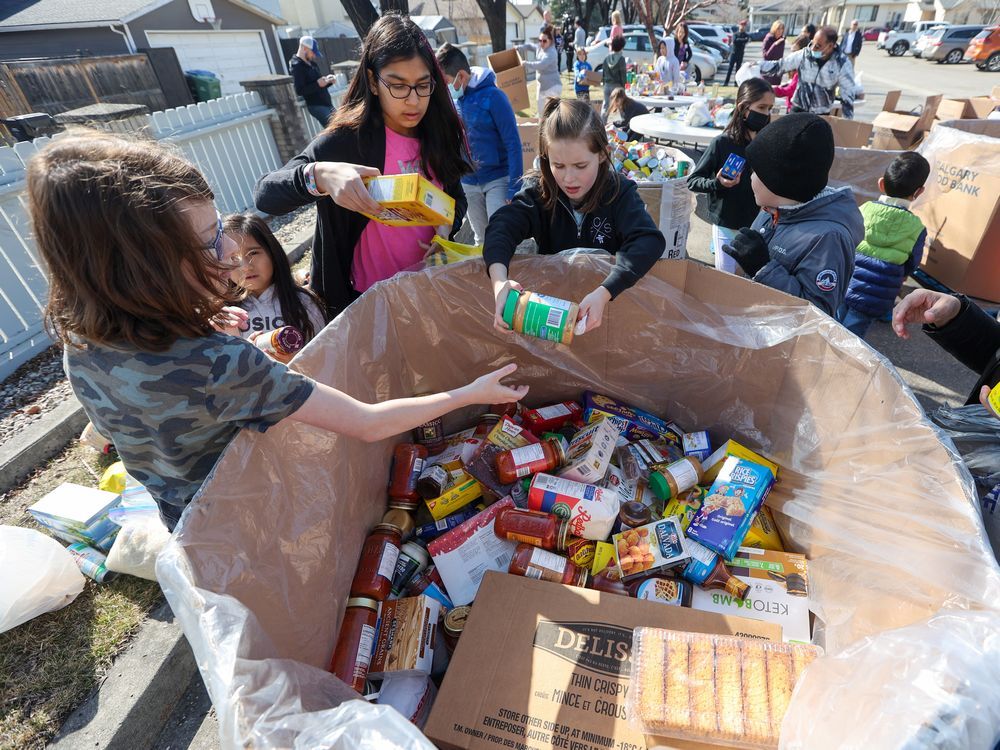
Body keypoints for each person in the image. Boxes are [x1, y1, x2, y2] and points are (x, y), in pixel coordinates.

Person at [29, 132, 527, 532]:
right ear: (143, 270)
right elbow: (370, 422)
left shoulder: (82, 342)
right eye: (208, 244)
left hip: (180, 522)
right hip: (246, 525)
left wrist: (190, 320)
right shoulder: (223, 365)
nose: (228, 253)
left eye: (218, 228)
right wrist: (471, 391)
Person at [255, 14, 471, 319]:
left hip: (424, 292)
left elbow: (456, 199)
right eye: (398, 86)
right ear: (372, 81)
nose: (413, 101)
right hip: (364, 304)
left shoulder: (436, 137)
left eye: (423, 86)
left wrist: (445, 229)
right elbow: (265, 195)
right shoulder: (347, 143)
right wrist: (320, 175)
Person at [483, 98, 665, 335]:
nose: (569, 179)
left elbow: (648, 241)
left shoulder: (619, 193)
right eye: (558, 165)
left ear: (602, 154)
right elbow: (501, 227)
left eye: (580, 166)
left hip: (610, 310)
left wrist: (605, 292)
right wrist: (499, 283)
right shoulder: (539, 192)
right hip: (552, 318)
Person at [724, 113, 864, 316]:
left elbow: (818, 314)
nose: (750, 176)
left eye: (757, 172)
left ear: (779, 183)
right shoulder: (772, 208)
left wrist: (763, 269)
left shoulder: (829, 238)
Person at [436, 43, 522, 246]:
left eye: (446, 82)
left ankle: (506, 276)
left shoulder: (494, 97)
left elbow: (513, 143)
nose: (444, 88)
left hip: (497, 179)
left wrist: (514, 187)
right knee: (481, 239)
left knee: (499, 235)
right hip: (468, 183)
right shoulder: (454, 101)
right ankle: (486, 277)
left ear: (462, 77)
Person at [837, 152, 930, 338]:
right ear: (919, 192)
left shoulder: (864, 209)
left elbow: (847, 240)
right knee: (852, 333)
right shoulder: (917, 228)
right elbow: (913, 263)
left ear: (881, 184)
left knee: (835, 318)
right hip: (876, 295)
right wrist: (900, 275)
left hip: (847, 281)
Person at [687, 78, 775, 274]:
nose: (766, 114)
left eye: (770, 109)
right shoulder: (722, 143)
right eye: (761, 107)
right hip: (726, 224)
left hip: (757, 225)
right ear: (744, 108)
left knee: (749, 280)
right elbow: (693, 181)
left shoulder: (766, 143)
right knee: (725, 279)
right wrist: (717, 183)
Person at [222, 213, 328, 353]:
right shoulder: (224, 314)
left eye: (253, 253)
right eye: (233, 257)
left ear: (272, 251)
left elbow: (324, 354)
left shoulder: (303, 302)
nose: (245, 266)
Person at [759, 26, 857, 119]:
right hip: (797, 109)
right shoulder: (805, 54)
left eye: (818, 46)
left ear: (830, 46)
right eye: (812, 43)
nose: (813, 48)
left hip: (820, 114)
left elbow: (848, 95)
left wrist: (847, 123)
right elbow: (780, 65)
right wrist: (758, 66)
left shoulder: (842, 63)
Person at [289, 35, 336, 127]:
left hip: (327, 103)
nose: (314, 55)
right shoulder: (296, 66)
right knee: (337, 130)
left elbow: (319, 84)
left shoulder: (312, 64)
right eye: (313, 52)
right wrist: (318, 84)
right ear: (305, 48)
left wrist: (328, 81)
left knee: (345, 126)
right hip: (316, 105)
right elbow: (300, 90)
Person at [521, 25, 563, 104]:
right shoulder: (540, 48)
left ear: (550, 41)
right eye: (540, 40)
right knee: (541, 113)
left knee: (551, 114)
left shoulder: (551, 53)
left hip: (552, 87)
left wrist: (526, 63)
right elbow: (530, 46)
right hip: (542, 87)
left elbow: (541, 65)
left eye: (544, 41)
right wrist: (519, 47)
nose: (541, 43)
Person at [772, 34, 810, 111]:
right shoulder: (797, 67)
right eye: (791, 51)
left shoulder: (803, 71)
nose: (791, 55)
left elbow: (790, 90)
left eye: (795, 52)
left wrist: (772, 89)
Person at [602, 35, 628, 120]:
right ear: (622, 46)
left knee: (605, 107)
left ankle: (601, 125)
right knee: (620, 107)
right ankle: (622, 125)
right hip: (617, 86)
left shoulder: (606, 57)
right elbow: (623, 75)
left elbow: (604, 72)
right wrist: (624, 86)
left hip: (607, 85)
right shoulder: (621, 59)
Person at [723, 20, 751, 87]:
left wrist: (740, 40)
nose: (742, 27)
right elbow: (735, 41)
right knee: (730, 69)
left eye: (744, 26)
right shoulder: (735, 34)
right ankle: (726, 83)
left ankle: (736, 83)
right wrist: (742, 40)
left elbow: (747, 40)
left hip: (740, 54)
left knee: (738, 70)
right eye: (741, 25)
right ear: (739, 26)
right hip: (734, 53)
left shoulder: (746, 35)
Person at [761, 21, 786, 85]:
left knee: (776, 91)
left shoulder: (782, 40)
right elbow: (766, 56)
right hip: (768, 70)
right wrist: (775, 44)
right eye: (778, 29)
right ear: (774, 29)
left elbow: (780, 56)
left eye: (782, 29)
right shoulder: (768, 38)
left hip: (777, 69)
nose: (780, 31)